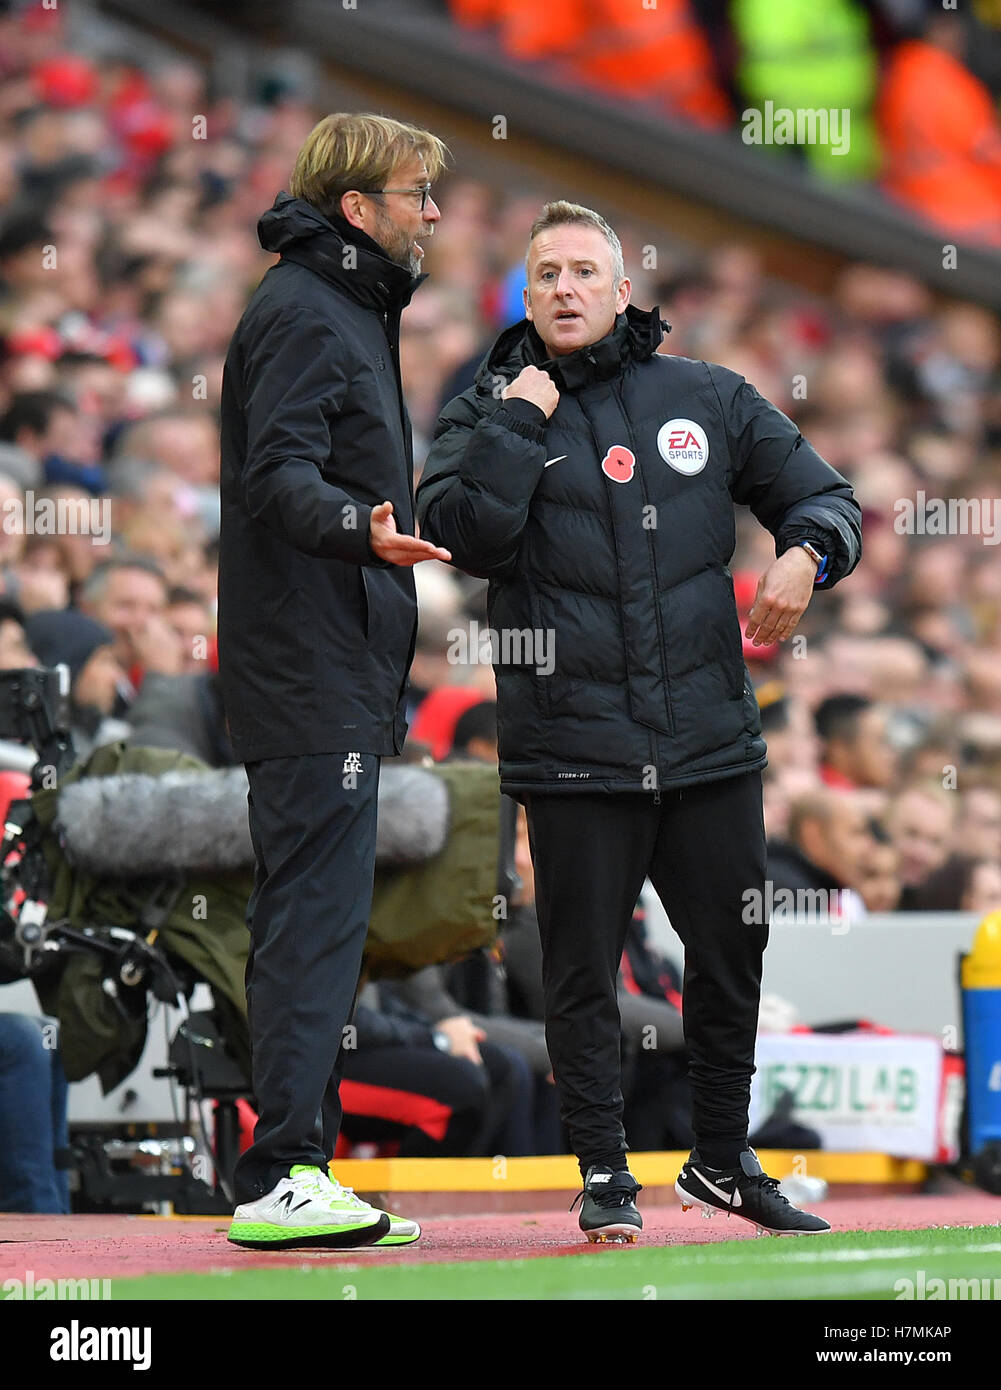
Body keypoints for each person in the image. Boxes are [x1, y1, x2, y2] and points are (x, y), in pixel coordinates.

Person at [417, 200, 861, 1241]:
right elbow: (463, 535)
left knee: (730, 954)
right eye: (544, 276)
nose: (563, 288)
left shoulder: (703, 394)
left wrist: (804, 554)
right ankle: (605, 1172)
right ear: (524, 297)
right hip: (573, 747)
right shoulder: (485, 404)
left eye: (582, 271)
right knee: (577, 966)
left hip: (706, 738)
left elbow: (827, 498)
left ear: (622, 289)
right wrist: (519, 422)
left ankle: (718, 1159)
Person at [217, 112, 451, 1251]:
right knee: (311, 916)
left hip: (327, 655)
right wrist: (364, 534)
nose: (433, 211)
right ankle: (282, 1170)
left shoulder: (340, 302)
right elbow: (278, 475)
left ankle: (294, 1163)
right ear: (357, 209)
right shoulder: (309, 308)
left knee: (319, 915)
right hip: (307, 659)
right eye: (416, 192)